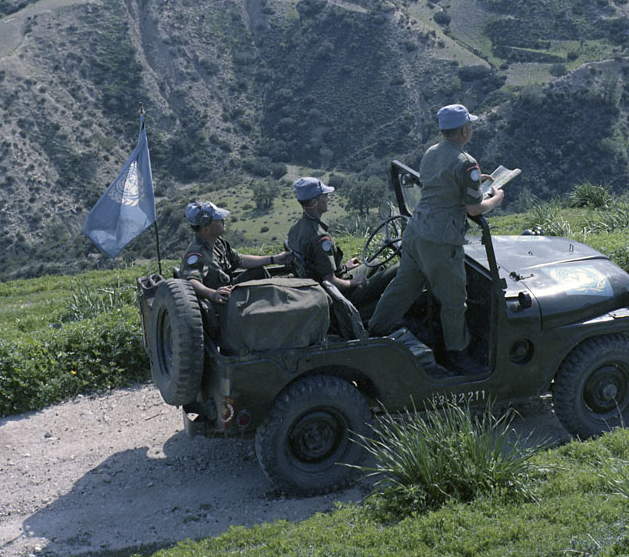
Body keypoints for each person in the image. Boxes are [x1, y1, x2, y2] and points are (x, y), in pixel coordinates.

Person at [368, 104, 504, 374]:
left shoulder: (432, 152)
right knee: (454, 301)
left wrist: (477, 184)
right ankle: (457, 353)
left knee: (403, 286)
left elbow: (442, 184)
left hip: (417, 232)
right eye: (470, 126)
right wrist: (495, 198)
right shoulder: (467, 163)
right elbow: (474, 209)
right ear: (465, 130)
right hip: (442, 241)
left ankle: (373, 331)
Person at [286, 177, 393, 313]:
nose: (328, 199)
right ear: (313, 202)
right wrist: (354, 282)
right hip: (339, 297)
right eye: (325, 196)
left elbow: (315, 266)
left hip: (316, 289)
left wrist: (344, 268)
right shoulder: (320, 238)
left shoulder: (296, 228)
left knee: (377, 262)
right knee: (395, 270)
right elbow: (330, 282)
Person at [178, 201, 292, 313]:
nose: (224, 219)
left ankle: (277, 305)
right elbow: (190, 280)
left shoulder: (217, 243)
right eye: (218, 219)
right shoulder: (196, 253)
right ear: (205, 228)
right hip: (221, 301)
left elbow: (240, 260)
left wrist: (274, 259)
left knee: (259, 272)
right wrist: (212, 294)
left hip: (229, 290)